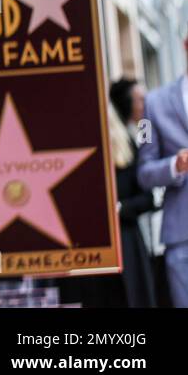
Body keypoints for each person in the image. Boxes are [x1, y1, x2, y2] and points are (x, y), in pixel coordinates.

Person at [70, 78, 157, 307]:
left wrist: (118, 209)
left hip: (126, 244)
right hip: (87, 252)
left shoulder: (126, 147)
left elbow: (147, 198)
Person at [137, 15, 188, 307]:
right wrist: (175, 166)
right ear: (187, 45)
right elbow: (144, 171)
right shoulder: (154, 103)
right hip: (183, 237)